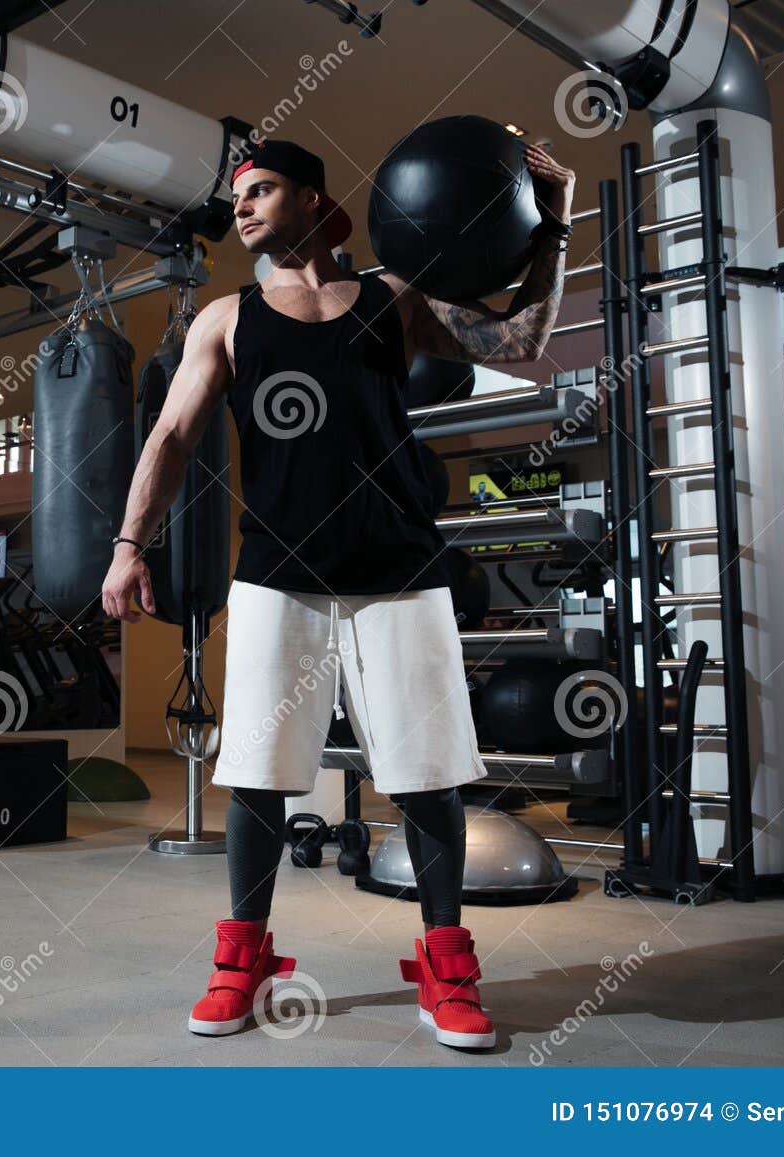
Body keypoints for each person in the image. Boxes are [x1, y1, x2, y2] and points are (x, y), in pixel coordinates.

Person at [101, 138, 573, 1048]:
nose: (242, 209)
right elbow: (167, 438)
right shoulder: (226, 321)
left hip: (400, 571)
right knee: (258, 777)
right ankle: (240, 960)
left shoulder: (394, 298)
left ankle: (446, 965)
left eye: (262, 190)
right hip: (280, 572)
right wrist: (129, 546)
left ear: (315, 201)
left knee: (429, 780)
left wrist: (551, 221)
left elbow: (523, 339)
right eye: (236, 198)